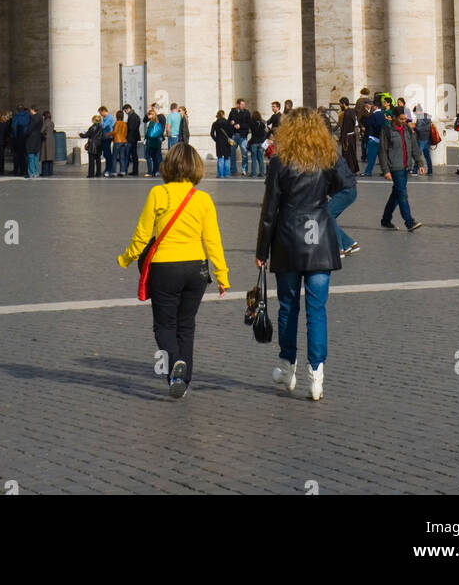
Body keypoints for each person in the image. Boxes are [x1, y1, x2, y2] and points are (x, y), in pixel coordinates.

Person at [117, 142, 229, 397]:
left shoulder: (159, 193)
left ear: (168, 166)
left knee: (164, 326)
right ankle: (183, 380)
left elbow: (143, 234)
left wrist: (126, 258)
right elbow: (213, 240)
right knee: (186, 325)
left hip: (165, 267)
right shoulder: (203, 199)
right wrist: (222, 275)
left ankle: (175, 363)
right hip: (196, 269)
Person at [256, 107, 343, 401]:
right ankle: (316, 375)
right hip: (319, 240)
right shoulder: (327, 160)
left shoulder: (279, 163)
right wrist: (323, 204)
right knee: (317, 310)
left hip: (288, 240)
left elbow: (269, 212)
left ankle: (287, 365)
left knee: (288, 306)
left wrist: (261, 250)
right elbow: (345, 185)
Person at [379, 105, 425, 231]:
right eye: (401, 119)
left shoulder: (407, 129)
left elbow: (414, 147)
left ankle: (386, 220)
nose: (404, 121)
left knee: (396, 194)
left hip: (406, 165)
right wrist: (386, 170)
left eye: (405, 119)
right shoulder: (386, 130)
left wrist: (419, 163)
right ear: (394, 118)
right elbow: (382, 151)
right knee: (402, 194)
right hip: (395, 166)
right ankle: (409, 222)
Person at [329, 151, 359, 256]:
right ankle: (349, 244)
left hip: (345, 190)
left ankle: (339, 248)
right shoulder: (332, 153)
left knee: (327, 215)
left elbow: (334, 177)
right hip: (350, 189)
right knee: (328, 217)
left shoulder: (326, 156)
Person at [227, 99, 251, 176]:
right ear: (237, 104)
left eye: (244, 104)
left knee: (244, 153)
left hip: (242, 136)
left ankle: (244, 170)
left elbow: (248, 124)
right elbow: (228, 122)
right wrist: (231, 123)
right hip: (234, 135)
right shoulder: (232, 112)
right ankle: (233, 170)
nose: (243, 106)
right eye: (242, 104)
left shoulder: (246, 112)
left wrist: (240, 126)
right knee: (232, 153)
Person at [363, 96, 386, 177]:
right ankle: (385, 171)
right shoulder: (383, 115)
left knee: (371, 157)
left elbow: (370, 126)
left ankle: (368, 172)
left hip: (373, 138)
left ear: (375, 106)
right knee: (382, 157)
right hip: (380, 138)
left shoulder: (373, 115)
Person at [339, 98, 359, 174]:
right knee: (353, 153)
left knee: (347, 154)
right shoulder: (352, 112)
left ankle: (349, 169)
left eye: (340, 104)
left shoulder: (346, 114)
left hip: (347, 137)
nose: (340, 106)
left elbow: (345, 127)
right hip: (352, 135)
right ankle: (353, 168)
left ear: (344, 104)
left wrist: (342, 138)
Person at [211, 110, 234, 177]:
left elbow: (212, 134)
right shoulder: (228, 123)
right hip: (226, 142)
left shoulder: (215, 123)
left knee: (220, 158)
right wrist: (229, 138)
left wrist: (216, 139)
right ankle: (226, 174)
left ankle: (220, 174)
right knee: (226, 158)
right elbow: (231, 133)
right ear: (223, 115)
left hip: (219, 142)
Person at [413, 104, 434, 175]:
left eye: (415, 113)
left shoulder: (420, 117)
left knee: (418, 155)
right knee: (427, 155)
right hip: (427, 138)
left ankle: (415, 170)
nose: (415, 114)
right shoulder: (427, 116)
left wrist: (414, 128)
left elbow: (419, 128)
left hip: (421, 138)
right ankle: (430, 171)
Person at [144, 109, 165, 177]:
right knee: (155, 157)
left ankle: (149, 172)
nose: (147, 115)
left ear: (151, 115)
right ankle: (155, 171)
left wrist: (145, 138)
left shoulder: (151, 123)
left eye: (149, 114)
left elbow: (148, 133)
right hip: (157, 142)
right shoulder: (158, 122)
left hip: (150, 143)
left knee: (148, 157)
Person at [25, 106, 43, 179]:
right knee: (36, 156)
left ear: (32, 110)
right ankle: (36, 172)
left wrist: (26, 133)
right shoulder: (40, 117)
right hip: (38, 137)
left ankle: (31, 173)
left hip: (32, 138)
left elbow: (30, 128)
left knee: (31, 156)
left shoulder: (33, 117)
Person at [248, 111, 267, 177]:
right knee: (260, 158)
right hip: (261, 142)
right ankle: (262, 173)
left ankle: (253, 173)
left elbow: (249, 131)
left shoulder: (251, 123)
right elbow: (265, 133)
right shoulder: (262, 124)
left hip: (254, 142)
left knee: (253, 158)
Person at [112, 109, 129, 176]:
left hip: (117, 141)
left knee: (114, 157)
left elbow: (115, 132)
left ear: (117, 116)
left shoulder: (117, 123)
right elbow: (126, 133)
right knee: (122, 157)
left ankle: (114, 172)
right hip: (124, 141)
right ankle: (123, 171)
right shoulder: (125, 123)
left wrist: (108, 134)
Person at [125, 105, 141, 176]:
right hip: (135, 137)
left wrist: (126, 125)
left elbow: (131, 128)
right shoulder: (135, 116)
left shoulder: (132, 116)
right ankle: (135, 170)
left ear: (129, 109)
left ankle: (126, 170)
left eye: (125, 110)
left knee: (128, 154)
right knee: (134, 155)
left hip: (131, 138)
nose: (125, 112)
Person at [99, 105, 115, 177]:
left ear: (103, 111)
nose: (100, 115)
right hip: (104, 137)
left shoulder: (109, 117)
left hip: (108, 137)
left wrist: (100, 120)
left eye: (100, 113)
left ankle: (109, 170)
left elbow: (103, 126)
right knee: (105, 154)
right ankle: (107, 169)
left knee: (108, 154)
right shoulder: (105, 118)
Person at [40, 110, 55, 177]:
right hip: (51, 140)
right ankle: (50, 172)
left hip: (46, 141)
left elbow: (41, 131)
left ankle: (45, 172)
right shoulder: (52, 122)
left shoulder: (45, 122)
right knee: (50, 157)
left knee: (45, 157)